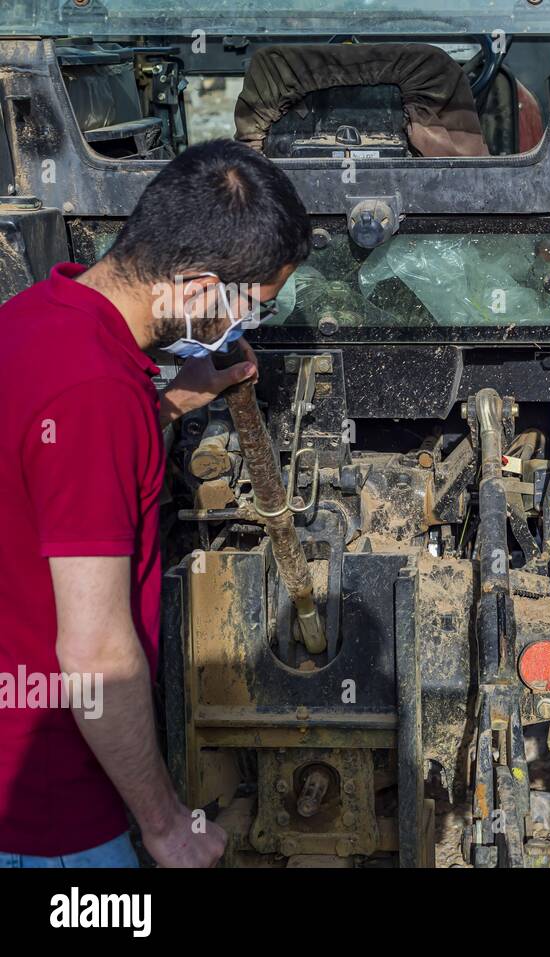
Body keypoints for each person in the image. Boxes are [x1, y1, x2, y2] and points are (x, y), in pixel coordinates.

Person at [0, 139, 310, 867]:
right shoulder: (96, 397)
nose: (250, 326)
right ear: (200, 288)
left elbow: (42, 467)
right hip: (53, 817)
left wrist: (166, 406)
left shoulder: (31, 318)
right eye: (251, 306)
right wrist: (168, 823)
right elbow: (94, 652)